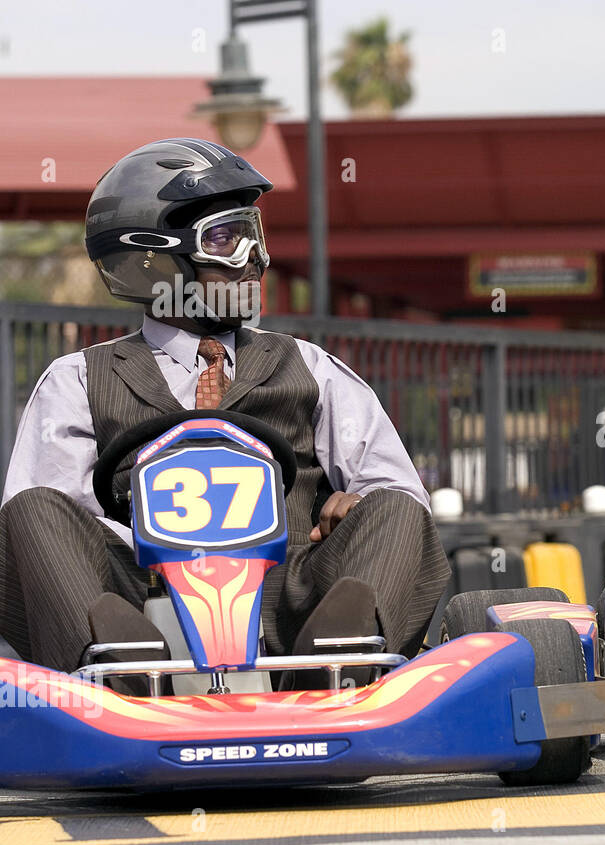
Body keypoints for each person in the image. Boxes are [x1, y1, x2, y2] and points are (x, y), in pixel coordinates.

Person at [0, 138, 450, 682]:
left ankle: (337, 661)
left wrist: (362, 505)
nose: (254, 259)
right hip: (141, 599)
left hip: (291, 597)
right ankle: (120, 671)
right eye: (226, 239)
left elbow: (396, 489)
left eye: (254, 236)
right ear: (154, 259)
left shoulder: (309, 366)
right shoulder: (78, 379)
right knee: (31, 511)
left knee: (398, 506)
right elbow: (57, 527)